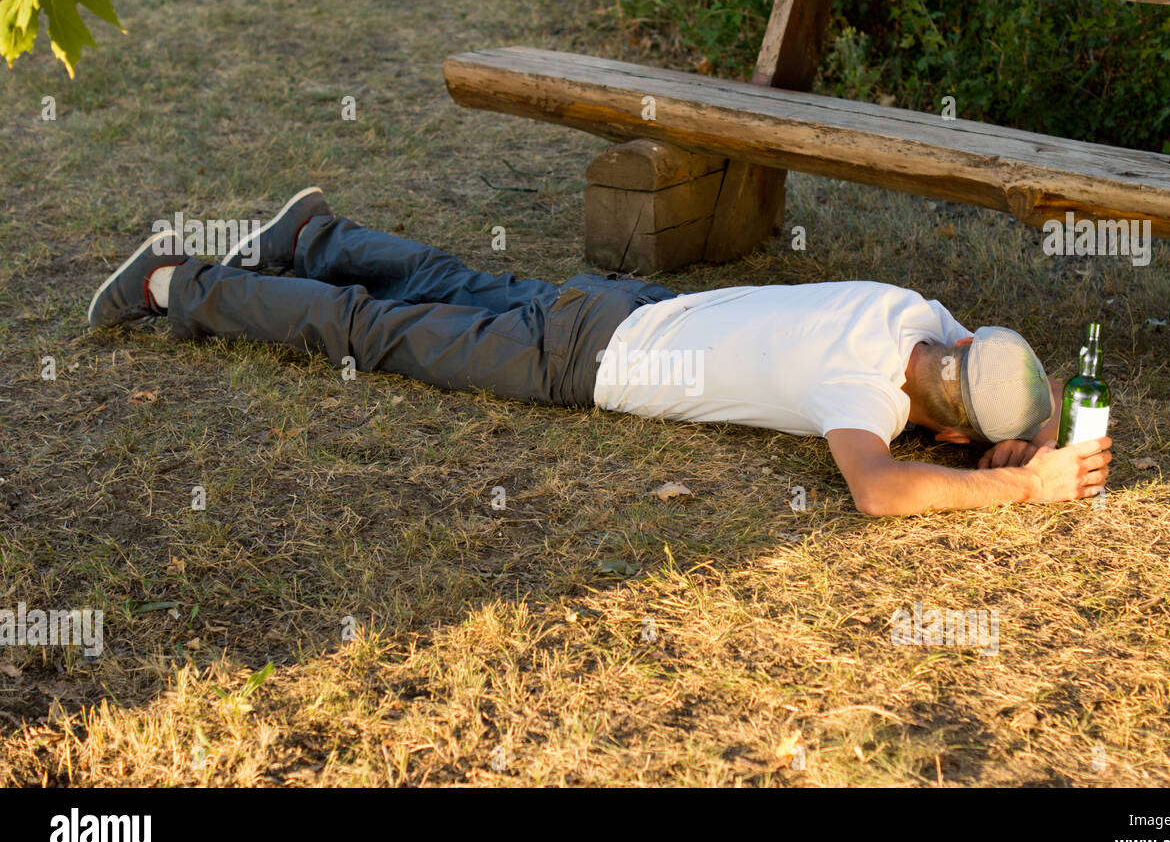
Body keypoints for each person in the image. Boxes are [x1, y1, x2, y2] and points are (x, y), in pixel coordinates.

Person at [87, 188, 1112, 515]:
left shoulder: (911, 310)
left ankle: (318, 236)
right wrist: (1024, 485)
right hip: (585, 367)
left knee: (453, 283)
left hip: (629, 308)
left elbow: (1004, 380)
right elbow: (879, 490)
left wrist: (1020, 436)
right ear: (936, 417)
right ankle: (175, 285)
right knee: (376, 335)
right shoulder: (856, 396)